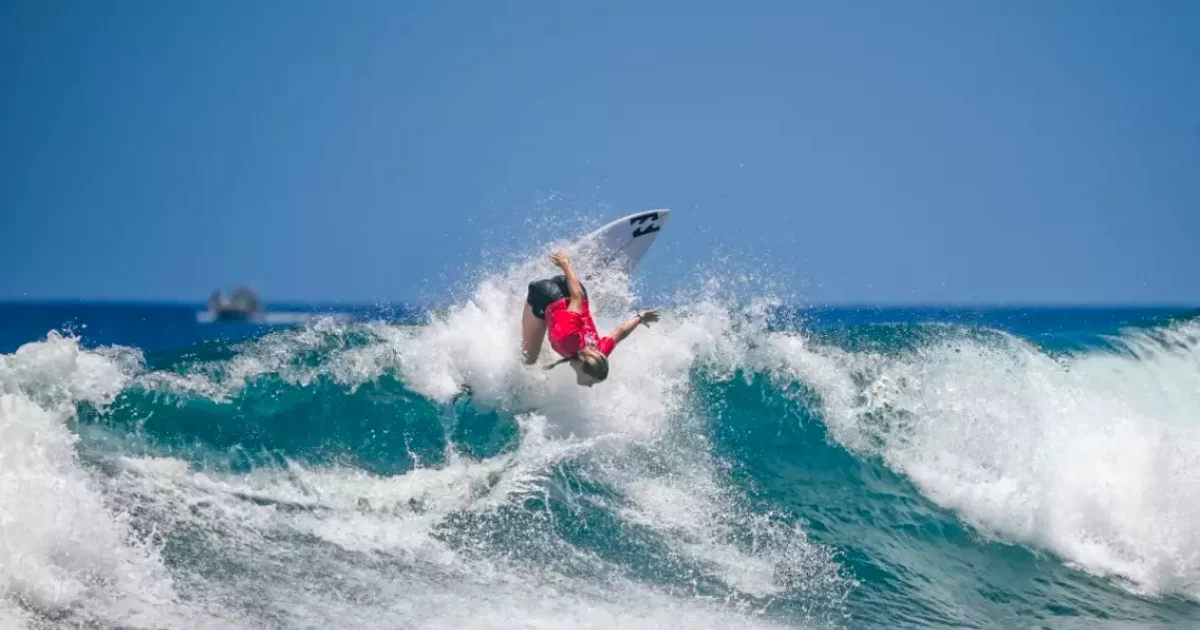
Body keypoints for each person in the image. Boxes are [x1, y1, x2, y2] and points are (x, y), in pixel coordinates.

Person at [521, 251, 660, 386]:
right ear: (582, 370)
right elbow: (577, 297)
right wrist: (565, 264)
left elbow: (621, 332)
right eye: (591, 381)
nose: (590, 386)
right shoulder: (569, 340)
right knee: (529, 359)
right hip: (546, 295)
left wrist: (640, 317)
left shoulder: (599, 352)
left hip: (569, 292)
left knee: (547, 331)